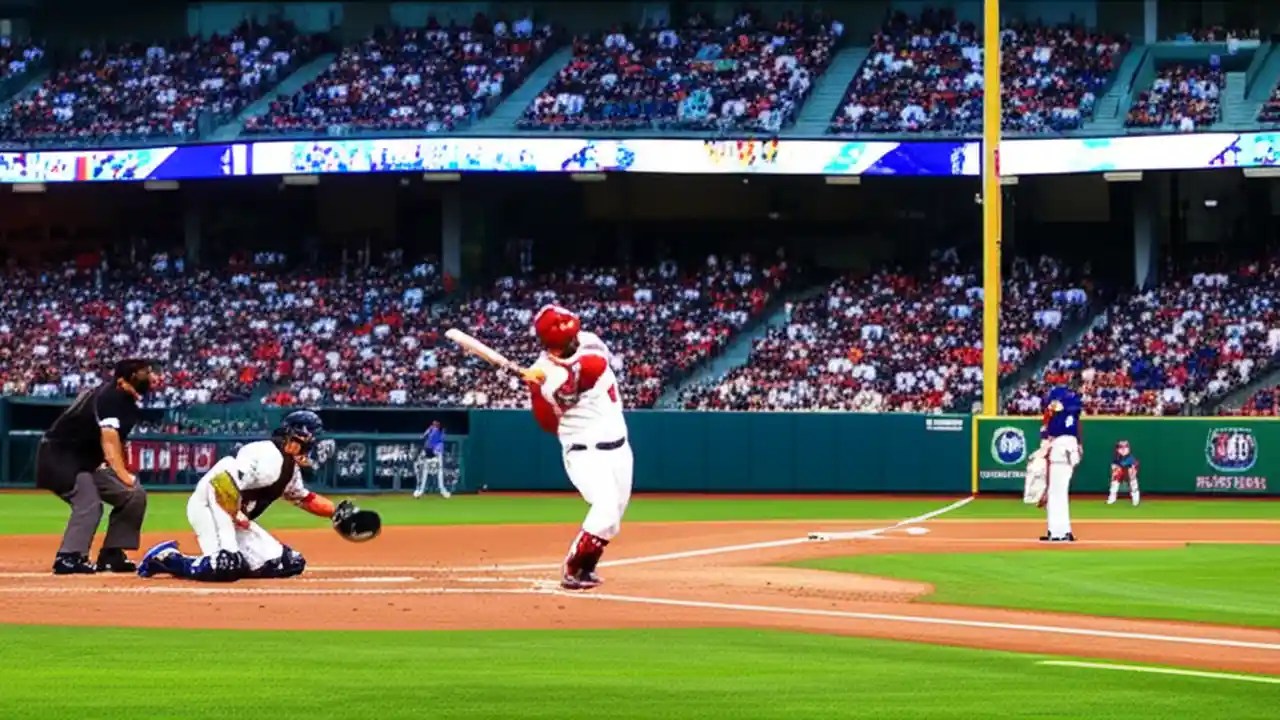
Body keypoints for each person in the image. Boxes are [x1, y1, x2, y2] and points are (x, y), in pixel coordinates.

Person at [136, 410, 346, 581]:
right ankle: (167, 558)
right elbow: (222, 483)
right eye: (312, 439)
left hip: (233, 514)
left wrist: (337, 513)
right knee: (226, 566)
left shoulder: (290, 468)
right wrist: (235, 515)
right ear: (296, 438)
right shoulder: (265, 455)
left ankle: (232, 560)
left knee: (288, 564)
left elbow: (304, 498)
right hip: (210, 507)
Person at [521, 304, 633, 590]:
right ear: (552, 344)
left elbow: (591, 369)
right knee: (605, 508)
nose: (575, 338)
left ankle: (588, 567)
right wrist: (538, 394)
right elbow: (548, 424)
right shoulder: (544, 377)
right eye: (567, 337)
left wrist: (553, 382)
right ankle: (572, 568)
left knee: (614, 519)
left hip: (620, 447)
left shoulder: (590, 344)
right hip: (585, 453)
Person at [35, 359, 157, 575]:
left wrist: (121, 475)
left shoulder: (126, 402)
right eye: (145, 372)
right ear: (125, 379)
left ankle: (111, 554)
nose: (152, 376)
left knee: (133, 495)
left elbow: (117, 442)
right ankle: (68, 557)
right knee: (89, 503)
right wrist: (122, 474)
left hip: (85, 462)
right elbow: (109, 441)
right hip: (59, 458)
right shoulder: (110, 397)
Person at [1035, 385, 1083, 542]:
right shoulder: (1073, 410)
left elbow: (1049, 433)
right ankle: (1061, 530)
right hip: (1070, 448)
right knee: (1059, 493)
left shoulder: (1056, 415)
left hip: (1061, 448)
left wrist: (1045, 442)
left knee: (1056, 494)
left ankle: (1058, 532)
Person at [414, 420, 449, 498]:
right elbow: (427, 434)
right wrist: (423, 435)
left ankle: (442, 491)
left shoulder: (440, 433)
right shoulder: (431, 430)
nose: (434, 426)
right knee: (425, 472)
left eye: (436, 425)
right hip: (429, 453)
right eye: (433, 424)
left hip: (436, 454)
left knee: (439, 472)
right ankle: (421, 491)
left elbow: (441, 442)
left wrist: (436, 452)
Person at [1108, 440, 1140, 506]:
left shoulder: (1131, 459)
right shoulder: (1116, 459)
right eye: (1121, 447)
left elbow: (1134, 465)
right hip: (1120, 468)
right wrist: (1116, 471)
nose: (1123, 449)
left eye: (1125, 447)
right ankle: (1112, 498)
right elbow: (1114, 466)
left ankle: (1135, 499)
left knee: (1133, 480)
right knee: (1115, 478)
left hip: (1131, 467)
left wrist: (1132, 469)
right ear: (1117, 449)